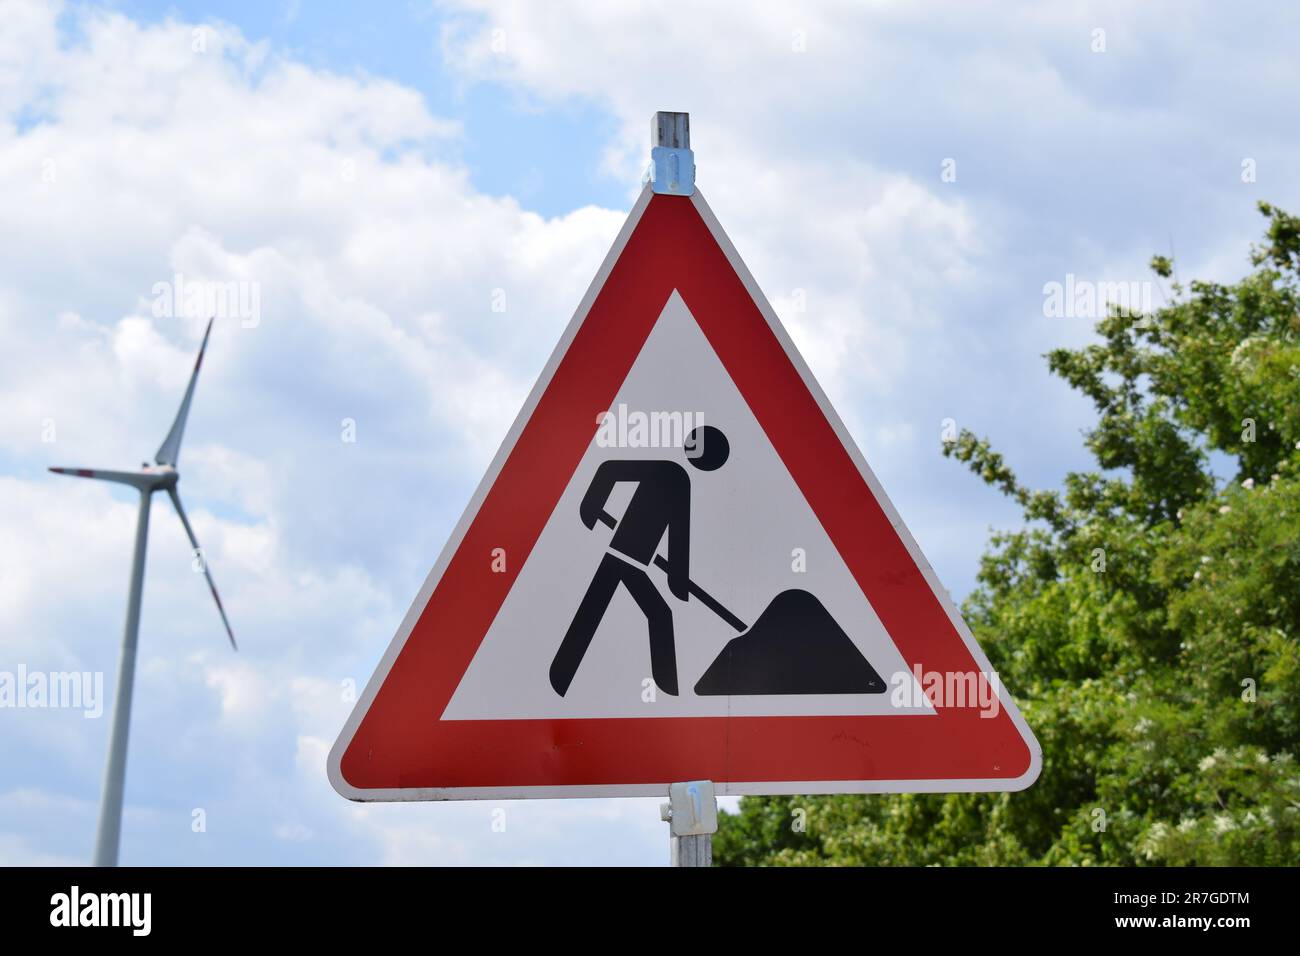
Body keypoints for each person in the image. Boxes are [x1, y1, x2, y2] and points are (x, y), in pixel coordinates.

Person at [548, 425, 730, 697]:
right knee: (654, 614)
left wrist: (677, 579)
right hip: (623, 558)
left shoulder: (677, 477)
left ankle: (559, 678)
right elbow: (610, 470)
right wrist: (591, 507)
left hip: (630, 561)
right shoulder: (673, 475)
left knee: (597, 612)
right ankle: (667, 690)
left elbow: (677, 536)